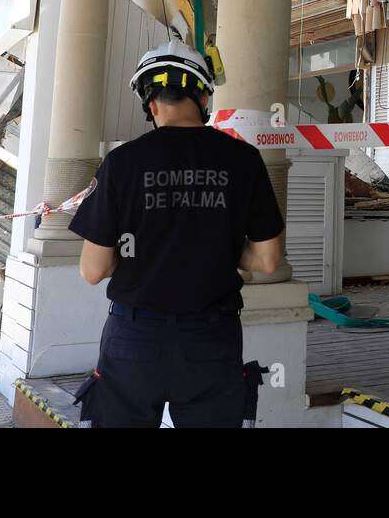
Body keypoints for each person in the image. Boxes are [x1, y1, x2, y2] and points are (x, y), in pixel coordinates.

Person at [68, 40, 284, 427]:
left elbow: (92, 270)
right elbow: (268, 260)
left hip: (134, 339)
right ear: (204, 97)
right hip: (212, 341)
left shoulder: (121, 163)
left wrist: (143, 253)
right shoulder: (243, 158)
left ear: (151, 104)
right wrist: (221, 251)